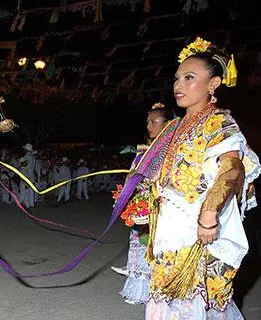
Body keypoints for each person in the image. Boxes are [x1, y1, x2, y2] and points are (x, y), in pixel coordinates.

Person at [146, 38, 260, 319]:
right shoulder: (173, 126)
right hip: (169, 228)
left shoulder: (219, 122)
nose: (178, 85)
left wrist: (209, 213)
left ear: (213, 84)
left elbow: (232, 168)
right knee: (166, 293)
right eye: (177, 78)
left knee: (199, 298)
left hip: (200, 228)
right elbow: (158, 172)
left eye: (189, 77)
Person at [111, 102, 175, 305]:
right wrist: (127, 197)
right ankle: (140, 291)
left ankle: (160, 292)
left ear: (168, 124)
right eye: (148, 121)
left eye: (154, 121)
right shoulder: (144, 150)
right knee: (140, 244)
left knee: (161, 250)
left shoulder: (174, 150)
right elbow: (134, 175)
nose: (149, 126)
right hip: (143, 205)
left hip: (165, 206)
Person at [18, 143, 37, 208]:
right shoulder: (33, 157)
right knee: (31, 190)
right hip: (31, 175)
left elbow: (21, 163)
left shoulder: (26, 157)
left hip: (26, 175)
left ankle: (25, 204)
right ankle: (31, 204)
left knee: (25, 190)